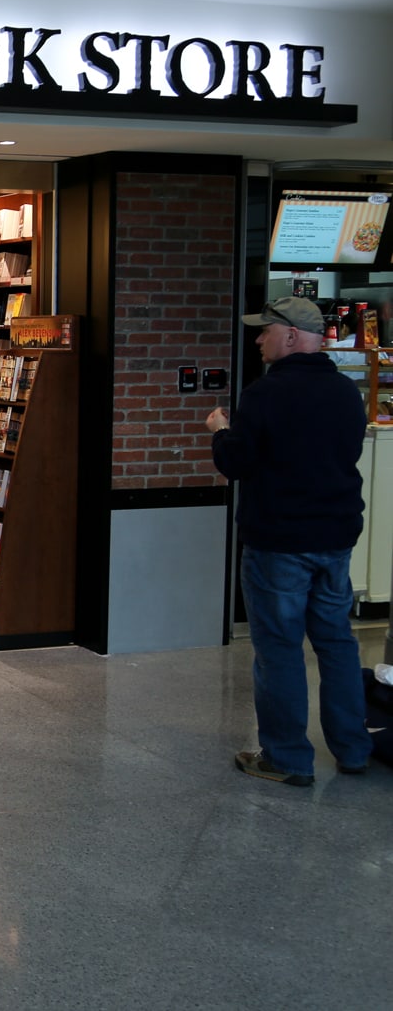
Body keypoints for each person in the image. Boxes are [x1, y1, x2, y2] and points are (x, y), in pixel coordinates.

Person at [207, 296, 372, 786]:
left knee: (279, 648)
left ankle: (287, 758)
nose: (259, 339)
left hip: (278, 540)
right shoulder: (346, 392)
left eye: (266, 331)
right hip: (335, 536)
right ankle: (354, 749)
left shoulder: (265, 394)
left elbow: (237, 463)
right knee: (337, 643)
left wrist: (220, 431)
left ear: (293, 337)